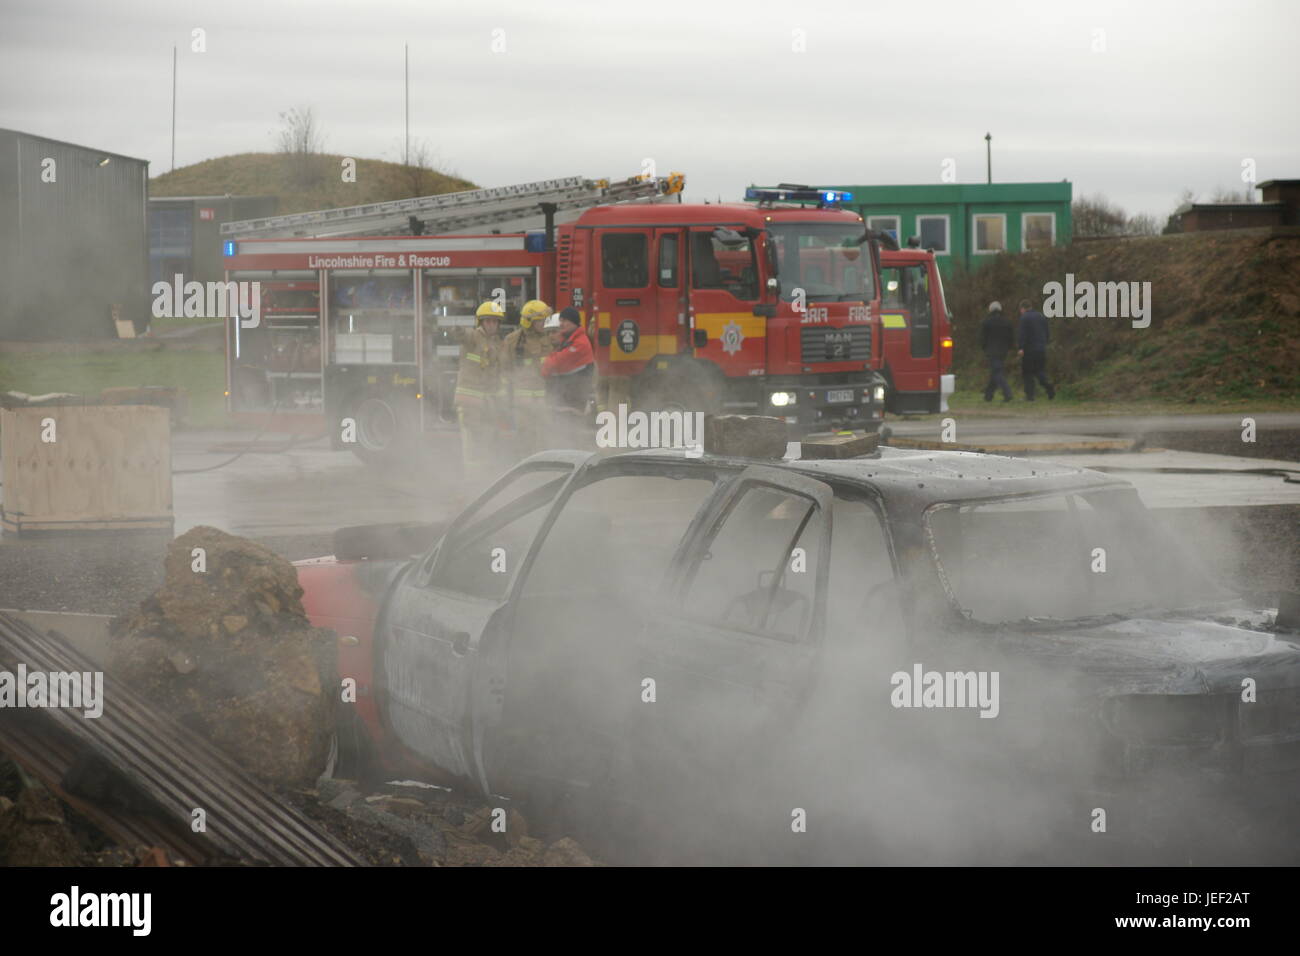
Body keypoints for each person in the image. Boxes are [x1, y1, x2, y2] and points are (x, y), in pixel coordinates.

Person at [455, 300, 506, 476]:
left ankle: (484, 476)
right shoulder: (473, 336)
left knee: (487, 437)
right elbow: (463, 336)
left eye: (495, 321)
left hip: (486, 401)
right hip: (470, 401)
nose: (492, 325)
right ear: (481, 322)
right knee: (471, 441)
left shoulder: (496, 343)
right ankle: (472, 479)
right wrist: (459, 331)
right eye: (488, 321)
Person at [504, 299, 553, 456]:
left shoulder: (551, 337)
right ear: (528, 322)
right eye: (540, 321)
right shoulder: (513, 340)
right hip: (522, 398)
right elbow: (505, 369)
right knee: (525, 435)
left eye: (545, 320)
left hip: (545, 396)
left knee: (546, 434)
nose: (543, 324)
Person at [540, 306, 595, 413]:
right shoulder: (569, 340)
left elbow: (554, 364)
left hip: (573, 401)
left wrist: (547, 364)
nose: (561, 324)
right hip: (566, 399)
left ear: (573, 321)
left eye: (564, 320)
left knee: (569, 427)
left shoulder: (579, 343)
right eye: (560, 321)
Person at [1017, 298, 1056, 401]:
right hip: (1041, 349)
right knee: (1039, 371)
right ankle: (1049, 387)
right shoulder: (1041, 316)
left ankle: (1030, 396)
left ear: (1022, 308)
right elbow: (1047, 333)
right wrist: (1044, 343)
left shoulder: (1024, 318)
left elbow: (1023, 334)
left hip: (1029, 349)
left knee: (1027, 373)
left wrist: (1021, 347)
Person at [979, 301, 1014, 402]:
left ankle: (1008, 393)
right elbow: (1011, 337)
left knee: (997, 372)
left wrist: (984, 349)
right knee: (995, 372)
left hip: (991, 351)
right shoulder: (1007, 322)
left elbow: (983, 339)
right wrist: (1009, 348)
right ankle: (988, 396)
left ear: (990, 310)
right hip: (1003, 352)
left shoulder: (986, 322)